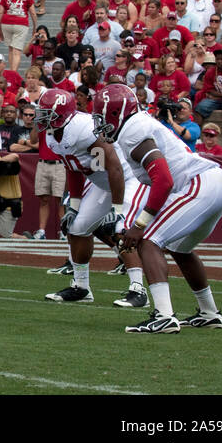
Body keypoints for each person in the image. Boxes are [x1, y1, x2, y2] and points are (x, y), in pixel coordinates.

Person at [94, 84, 222, 333]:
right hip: (214, 182)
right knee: (180, 248)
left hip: (200, 183)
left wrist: (139, 225)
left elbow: (164, 180)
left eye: (102, 116)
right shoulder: (137, 123)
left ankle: (164, 316)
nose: (100, 123)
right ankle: (209, 312)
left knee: (148, 240)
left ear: (116, 114)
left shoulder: (131, 131)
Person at [36, 88, 148, 308]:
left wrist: (117, 210)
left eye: (48, 113)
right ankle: (81, 287)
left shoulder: (84, 128)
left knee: (119, 228)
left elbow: (115, 167)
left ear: (62, 114)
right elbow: (73, 169)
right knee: (77, 226)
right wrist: (74, 205)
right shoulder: (52, 135)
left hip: (127, 178)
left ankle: (138, 290)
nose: (43, 118)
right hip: (100, 181)